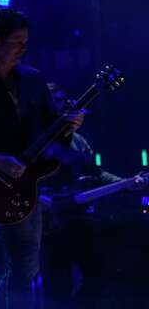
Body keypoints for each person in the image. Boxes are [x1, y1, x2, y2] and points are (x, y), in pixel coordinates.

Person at [0, 9, 83, 309]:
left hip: (27, 180)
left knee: (24, 262)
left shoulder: (33, 79)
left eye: (26, 42)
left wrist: (68, 127)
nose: (23, 48)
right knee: (24, 258)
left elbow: (51, 129)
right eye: (16, 42)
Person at [40, 82, 145, 307]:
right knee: (58, 282)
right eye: (55, 102)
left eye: (63, 101)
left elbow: (97, 174)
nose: (62, 106)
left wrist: (127, 183)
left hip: (79, 217)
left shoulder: (78, 141)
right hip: (48, 222)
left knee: (96, 275)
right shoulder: (36, 139)